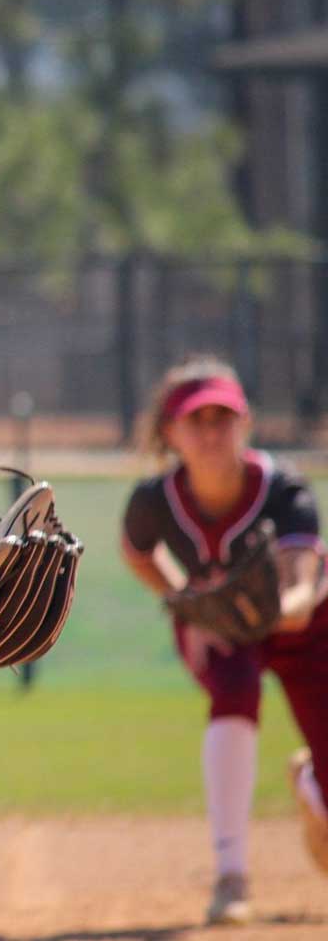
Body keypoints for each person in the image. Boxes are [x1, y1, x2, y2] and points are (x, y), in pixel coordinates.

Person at [119, 355, 328, 926]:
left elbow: (303, 594)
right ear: (170, 433)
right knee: (234, 689)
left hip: (304, 629)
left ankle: (312, 785)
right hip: (221, 629)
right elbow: (137, 554)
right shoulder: (154, 502)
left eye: (223, 417)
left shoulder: (283, 490)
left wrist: (261, 615)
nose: (211, 432)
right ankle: (231, 876)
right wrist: (186, 603)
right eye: (196, 420)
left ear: (246, 423)